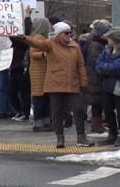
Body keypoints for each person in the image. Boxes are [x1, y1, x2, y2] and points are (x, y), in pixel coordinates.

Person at [22, 17, 90, 147]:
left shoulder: (75, 47)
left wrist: (83, 81)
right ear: (58, 34)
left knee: (77, 109)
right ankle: (60, 138)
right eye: (66, 33)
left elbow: (81, 65)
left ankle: (81, 137)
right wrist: (24, 38)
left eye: (70, 33)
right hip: (54, 84)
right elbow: (37, 44)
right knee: (57, 112)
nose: (69, 35)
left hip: (72, 83)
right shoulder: (50, 44)